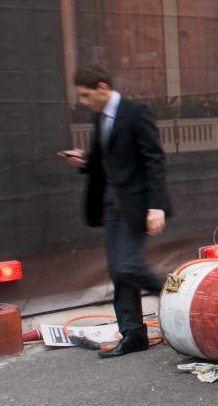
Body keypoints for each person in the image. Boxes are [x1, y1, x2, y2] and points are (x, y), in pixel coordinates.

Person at [59, 64, 171, 357]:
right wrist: (84, 160)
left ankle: (178, 296)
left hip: (136, 205)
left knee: (127, 265)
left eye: (85, 95)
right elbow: (102, 159)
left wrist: (155, 206)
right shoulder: (99, 117)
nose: (83, 101)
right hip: (110, 205)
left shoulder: (136, 112)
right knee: (118, 272)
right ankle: (133, 334)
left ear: (102, 88)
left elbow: (154, 160)